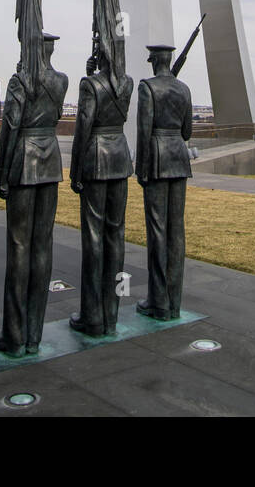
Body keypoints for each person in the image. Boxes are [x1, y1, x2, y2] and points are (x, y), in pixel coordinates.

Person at [0, 30, 67, 356]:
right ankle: (34, 334)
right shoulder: (61, 81)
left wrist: (1, 174)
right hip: (50, 164)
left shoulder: (20, 81)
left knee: (19, 246)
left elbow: (10, 127)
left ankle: (14, 334)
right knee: (42, 245)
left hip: (24, 163)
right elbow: (56, 116)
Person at [69, 38, 133, 336]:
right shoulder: (128, 83)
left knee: (93, 236)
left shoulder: (90, 85)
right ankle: (111, 314)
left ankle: (91, 315)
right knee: (115, 234)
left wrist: (75, 171)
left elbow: (84, 127)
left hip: (96, 161)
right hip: (120, 159)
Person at [134, 42, 192, 321]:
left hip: (157, 161)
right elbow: (187, 131)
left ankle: (158, 302)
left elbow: (144, 131)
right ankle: (174, 302)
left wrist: (141, 169)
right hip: (179, 160)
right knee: (176, 232)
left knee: (157, 231)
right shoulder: (184, 89)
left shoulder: (147, 88)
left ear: (154, 61)